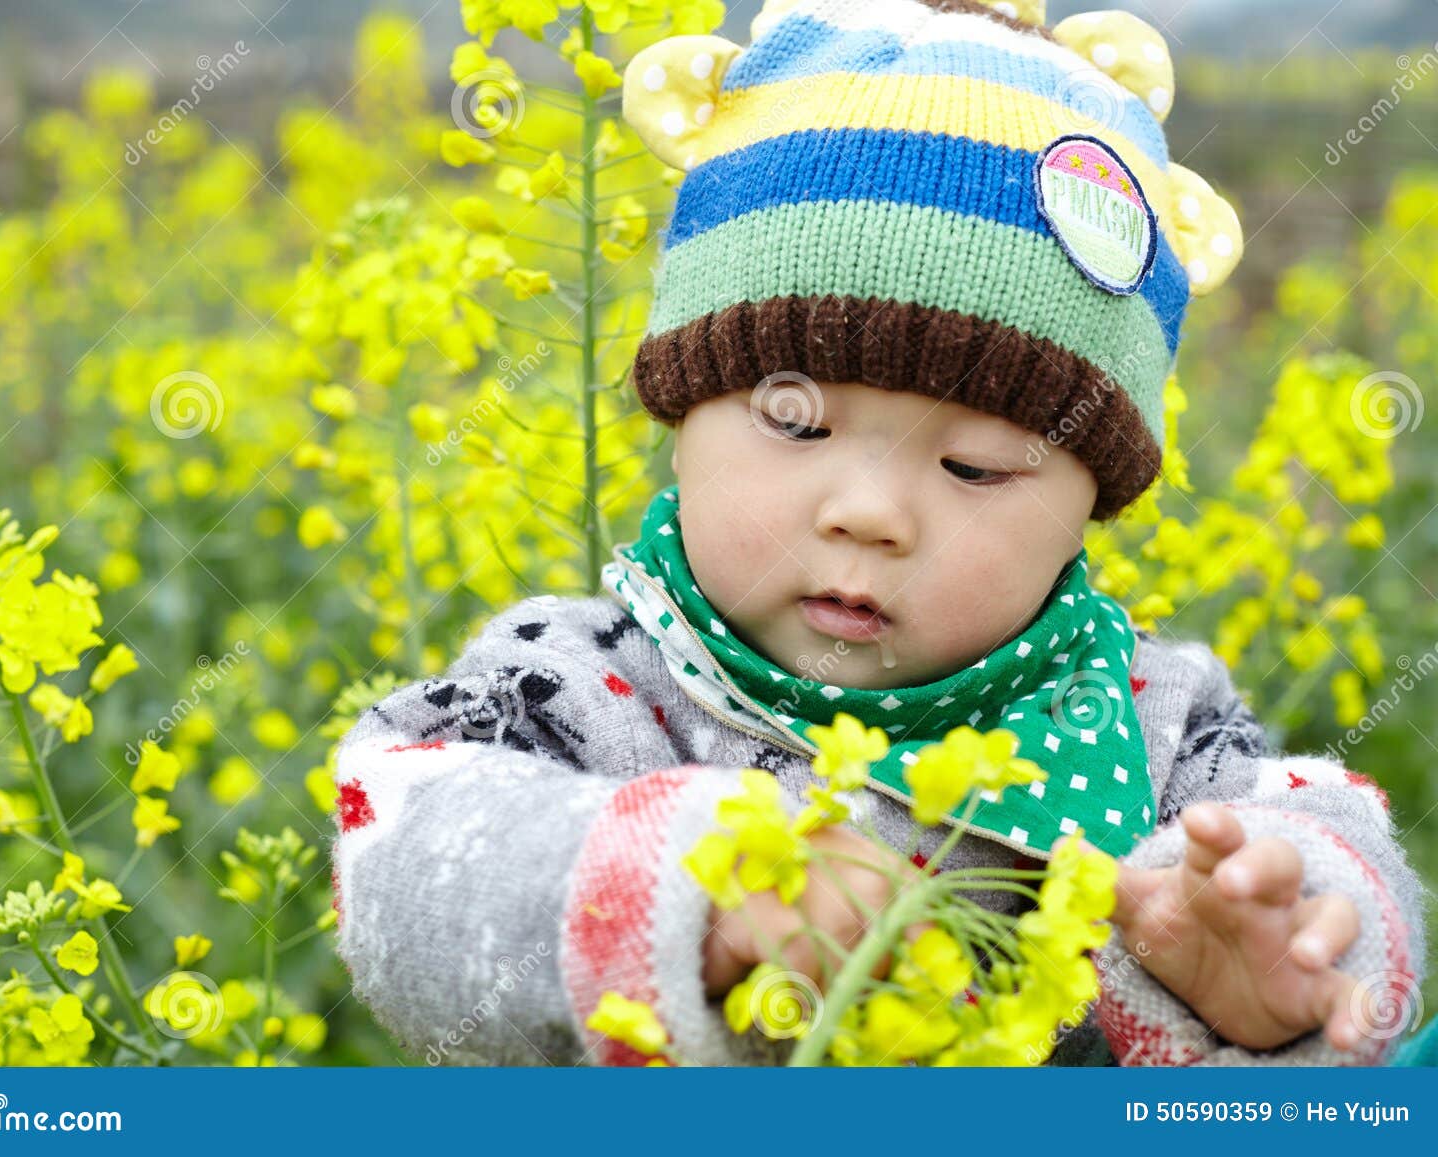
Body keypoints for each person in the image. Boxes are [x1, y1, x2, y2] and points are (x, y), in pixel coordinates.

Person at [329, 0, 1429, 1065]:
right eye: (794, 420)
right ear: (678, 422)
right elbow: (402, 854)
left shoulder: (1153, 726)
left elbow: (1319, 831)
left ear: (1088, 510)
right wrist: (688, 880)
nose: (869, 511)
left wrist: (1276, 959)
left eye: (976, 467)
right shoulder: (575, 682)